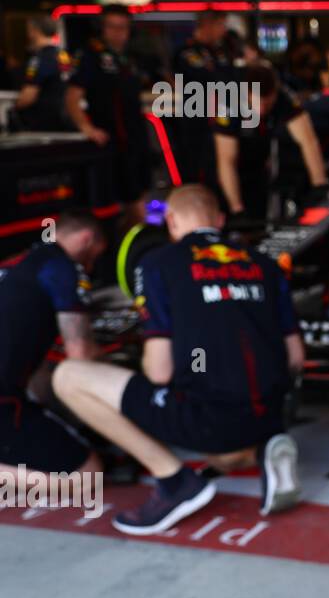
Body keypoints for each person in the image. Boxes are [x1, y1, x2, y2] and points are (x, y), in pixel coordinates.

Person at [53, 185, 303, 534]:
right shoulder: (264, 263)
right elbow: (295, 357)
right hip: (268, 414)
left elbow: (159, 372)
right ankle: (261, 447)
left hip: (209, 421)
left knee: (68, 375)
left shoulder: (157, 264)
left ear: (170, 221)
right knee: (224, 438)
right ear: (219, 220)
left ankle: (174, 482)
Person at [0, 209, 106, 478]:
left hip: (12, 395)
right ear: (86, 238)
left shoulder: (15, 263)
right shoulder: (61, 268)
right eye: (95, 256)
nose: (92, 266)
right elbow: (80, 357)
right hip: (3, 403)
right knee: (89, 473)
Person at [65, 5, 153, 223]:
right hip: (109, 139)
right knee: (116, 206)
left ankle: (138, 244)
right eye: (112, 27)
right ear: (102, 28)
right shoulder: (90, 55)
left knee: (140, 193)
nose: (118, 32)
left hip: (135, 136)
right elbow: (72, 97)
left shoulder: (130, 59)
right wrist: (87, 128)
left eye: (123, 27)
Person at [212, 62, 329, 220]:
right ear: (247, 93)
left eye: (267, 103)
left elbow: (308, 141)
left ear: (274, 93)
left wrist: (319, 185)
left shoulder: (284, 96)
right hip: (223, 166)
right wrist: (236, 208)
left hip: (258, 163)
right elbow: (226, 161)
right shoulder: (229, 103)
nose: (262, 109)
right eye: (258, 103)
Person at [168, 10, 231, 188]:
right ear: (207, 25)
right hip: (197, 120)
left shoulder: (220, 52)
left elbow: (230, 78)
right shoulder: (186, 53)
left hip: (221, 119)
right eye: (221, 25)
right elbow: (207, 79)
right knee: (197, 169)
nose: (223, 31)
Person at [13, 15, 72, 133]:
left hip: (44, 125)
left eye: (29, 30)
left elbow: (28, 96)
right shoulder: (64, 56)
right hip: (66, 120)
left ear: (35, 31)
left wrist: (12, 107)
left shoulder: (38, 60)